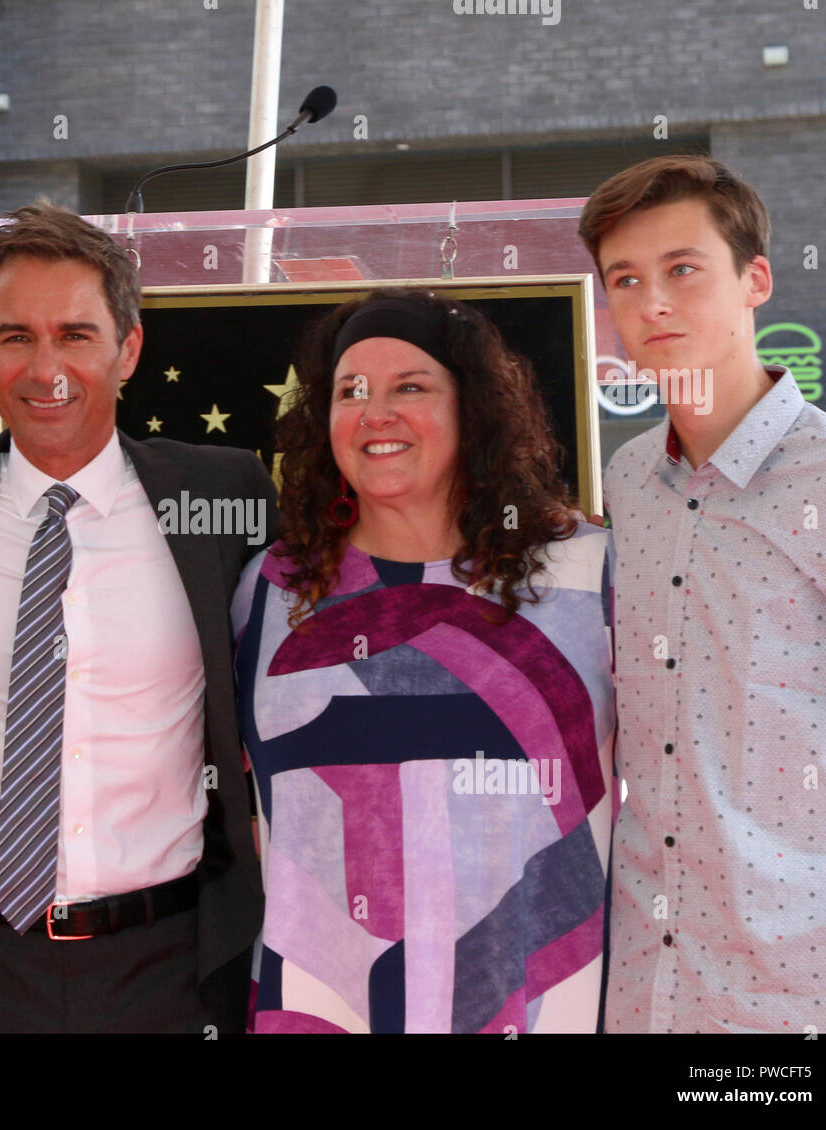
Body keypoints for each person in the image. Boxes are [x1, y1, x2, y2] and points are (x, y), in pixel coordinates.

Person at [0, 201, 278, 1033]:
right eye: (16, 335)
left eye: (76, 335)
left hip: (171, 965)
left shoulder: (225, 497)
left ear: (128, 349)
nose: (44, 366)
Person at [231, 290, 616, 1033]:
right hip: (323, 1007)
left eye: (410, 386)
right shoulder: (270, 591)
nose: (376, 412)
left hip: (539, 1009)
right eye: (351, 391)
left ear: (473, 408)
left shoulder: (588, 574)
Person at [580, 155, 826, 1033]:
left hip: (804, 983)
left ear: (756, 281)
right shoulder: (629, 479)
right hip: (643, 981)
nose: (652, 302)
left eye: (683, 270)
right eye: (625, 279)